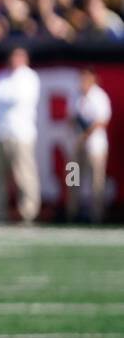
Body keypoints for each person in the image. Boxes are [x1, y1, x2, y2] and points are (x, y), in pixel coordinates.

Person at [0, 48, 42, 223]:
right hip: (1, 133)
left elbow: (17, 99)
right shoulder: (0, 76)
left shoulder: (29, 77)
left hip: (22, 134)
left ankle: (28, 211)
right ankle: (0, 212)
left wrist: (2, 96)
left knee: (24, 174)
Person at [68, 68, 112, 223]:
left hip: (95, 146)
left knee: (96, 181)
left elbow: (102, 121)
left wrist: (85, 134)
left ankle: (96, 215)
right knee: (73, 177)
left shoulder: (100, 97)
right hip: (77, 145)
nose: (83, 83)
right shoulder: (76, 96)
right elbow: (71, 118)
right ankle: (72, 211)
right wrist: (76, 133)